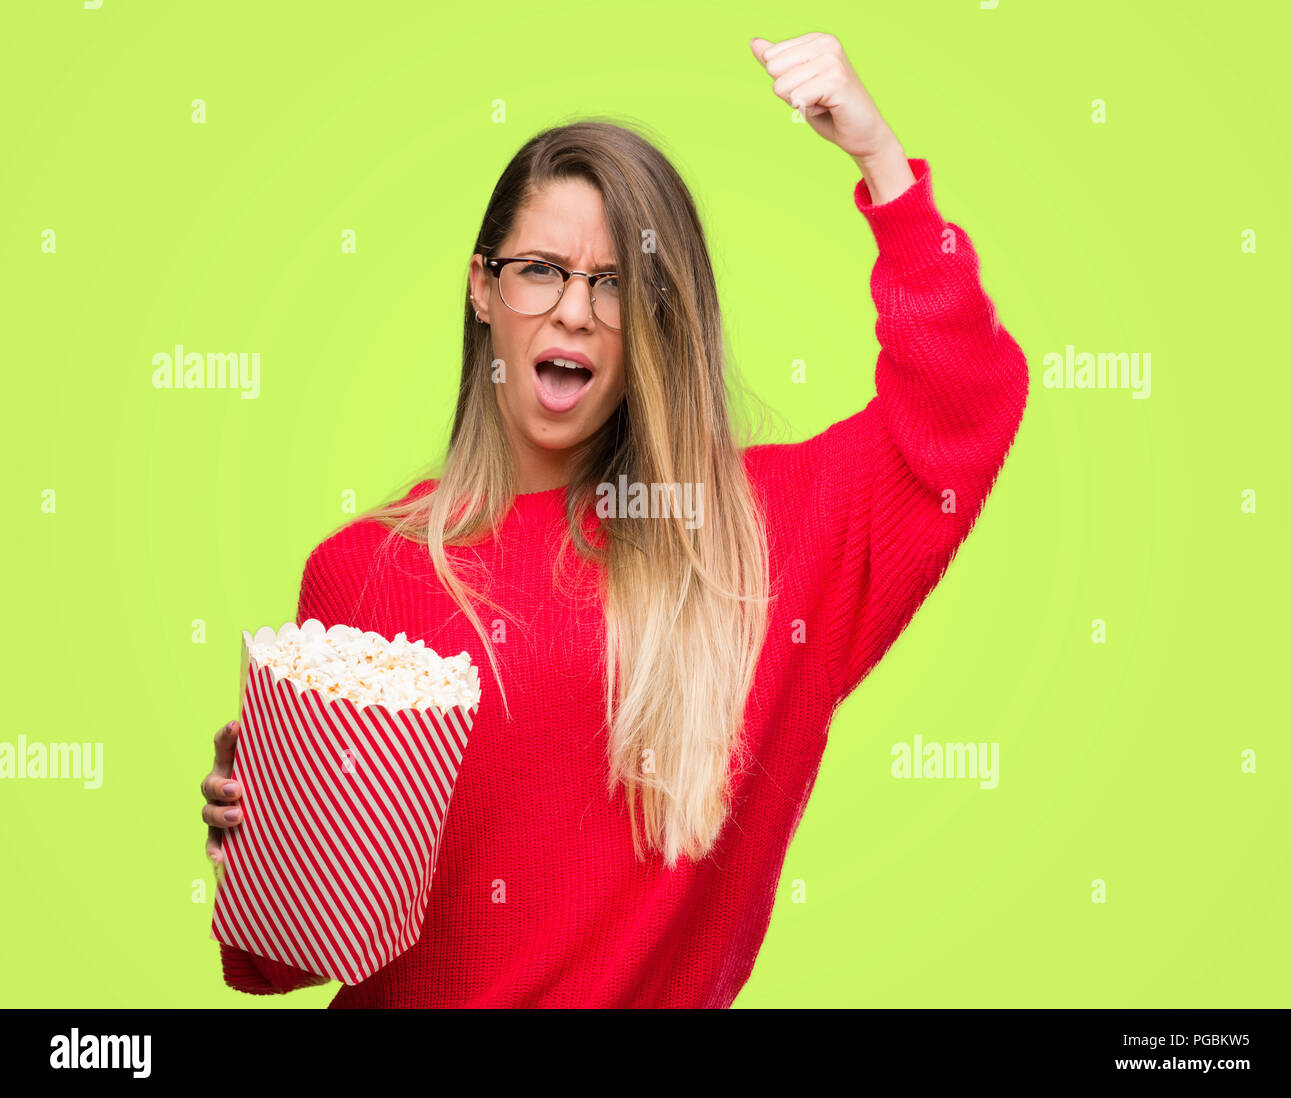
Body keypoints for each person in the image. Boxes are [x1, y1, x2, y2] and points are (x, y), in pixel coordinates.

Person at [199, 32, 1030, 1007]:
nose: (576, 313)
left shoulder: (758, 540)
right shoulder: (362, 571)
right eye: (542, 269)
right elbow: (273, 965)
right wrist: (258, 836)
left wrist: (882, 164)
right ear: (483, 288)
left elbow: (963, 406)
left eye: (615, 284)